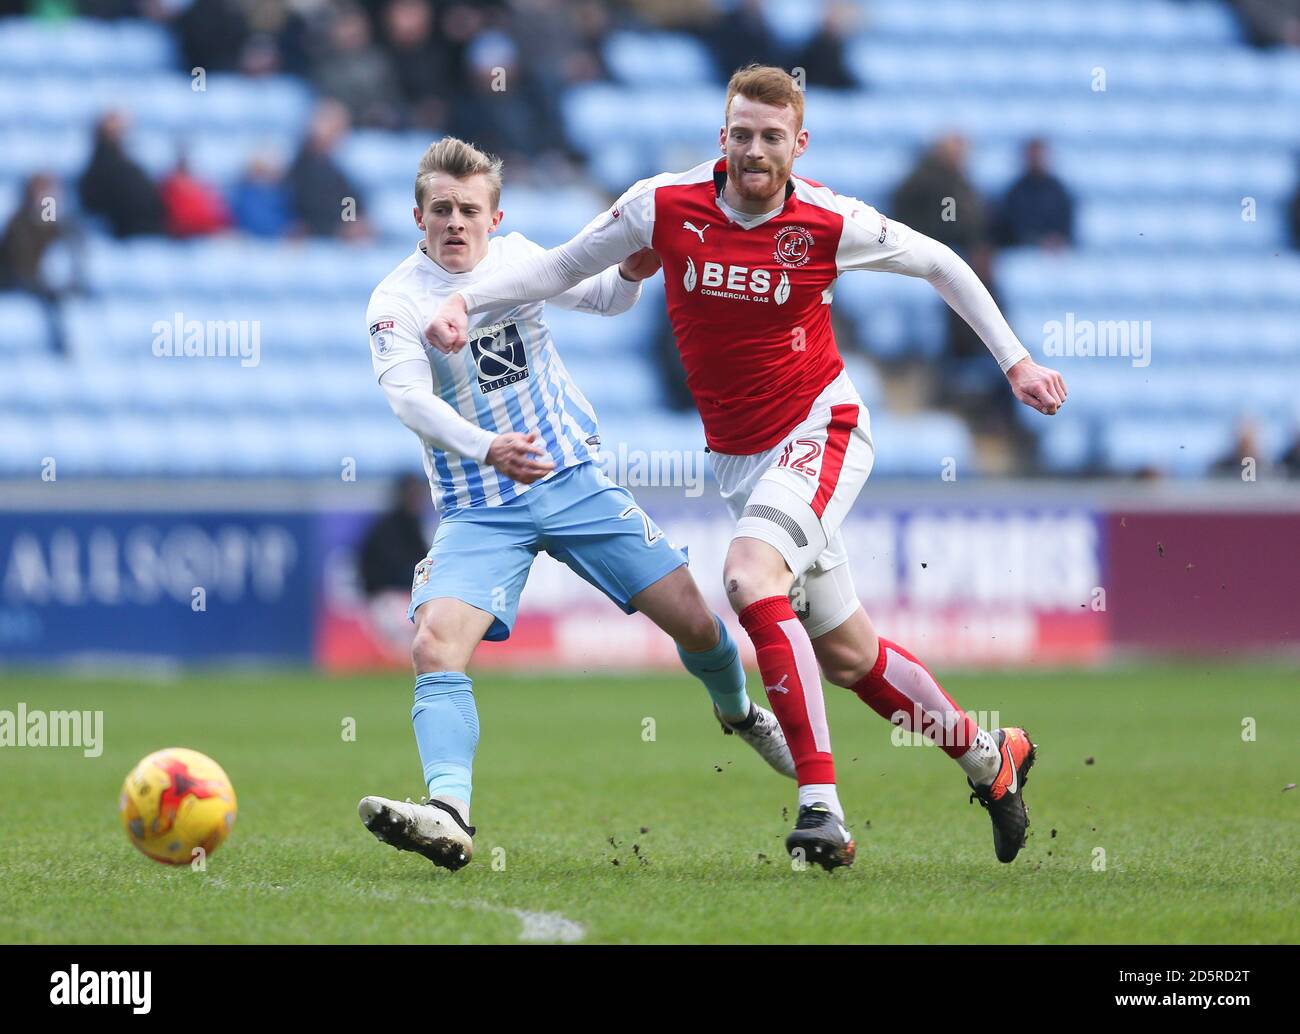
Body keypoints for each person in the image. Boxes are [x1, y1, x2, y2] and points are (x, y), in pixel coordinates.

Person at [427, 65, 1069, 869]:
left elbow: (940, 260)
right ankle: (989, 757)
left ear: (799, 144)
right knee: (848, 657)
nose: (755, 151)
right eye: (741, 135)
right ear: (721, 137)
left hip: (820, 426)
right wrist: (465, 302)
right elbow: (557, 268)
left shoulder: (828, 219)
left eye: (772, 137)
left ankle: (821, 809)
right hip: (740, 459)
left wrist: (1015, 364)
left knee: (748, 579)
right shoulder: (664, 204)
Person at [357, 136, 794, 872]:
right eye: (442, 209)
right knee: (435, 643)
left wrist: (629, 270)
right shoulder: (395, 301)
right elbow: (407, 400)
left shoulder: (520, 259)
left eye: (470, 209)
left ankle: (739, 711)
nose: (456, 222)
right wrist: (483, 445)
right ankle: (449, 813)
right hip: (478, 506)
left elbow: (610, 299)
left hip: (572, 480)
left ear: (496, 218)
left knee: (696, 623)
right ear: (417, 216)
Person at [996, 138, 1074, 249]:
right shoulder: (1015, 192)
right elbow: (1010, 229)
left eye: (1039, 155)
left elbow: (1066, 228)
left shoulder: (1059, 192)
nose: (1036, 159)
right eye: (1032, 156)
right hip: (1023, 251)